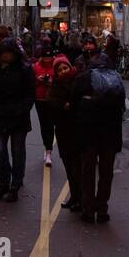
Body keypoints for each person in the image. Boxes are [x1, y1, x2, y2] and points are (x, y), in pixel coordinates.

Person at [0, 36, 34, 202]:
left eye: (9, 54)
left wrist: (21, 109)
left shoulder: (24, 69)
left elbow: (29, 94)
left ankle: (15, 185)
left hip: (18, 118)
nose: (6, 57)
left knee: (17, 153)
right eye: (4, 54)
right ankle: (3, 182)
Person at [73, 51, 125, 222]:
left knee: (87, 171)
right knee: (106, 173)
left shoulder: (83, 78)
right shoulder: (116, 79)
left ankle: (88, 209)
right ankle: (102, 208)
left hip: (88, 133)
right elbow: (121, 110)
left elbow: (73, 104)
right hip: (110, 134)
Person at [47, 55, 84, 211]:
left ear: (70, 67)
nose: (63, 71)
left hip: (77, 131)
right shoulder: (55, 86)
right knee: (69, 167)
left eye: (65, 68)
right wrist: (63, 105)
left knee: (77, 167)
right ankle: (74, 197)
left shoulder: (78, 82)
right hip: (62, 131)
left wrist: (66, 105)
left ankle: (81, 199)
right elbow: (52, 105)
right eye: (60, 69)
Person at [31, 38, 64, 167]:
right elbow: (30, 83)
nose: (47, 60)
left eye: (49, 58)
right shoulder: (36, 67)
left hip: (53, 100)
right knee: (45, 126)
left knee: (52, 125)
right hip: (40, 100)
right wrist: (37, 80)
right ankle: (48, 149)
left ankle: (50, 150)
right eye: (45, 58)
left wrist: (52, 82)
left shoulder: (57, 66)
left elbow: (62, 81)